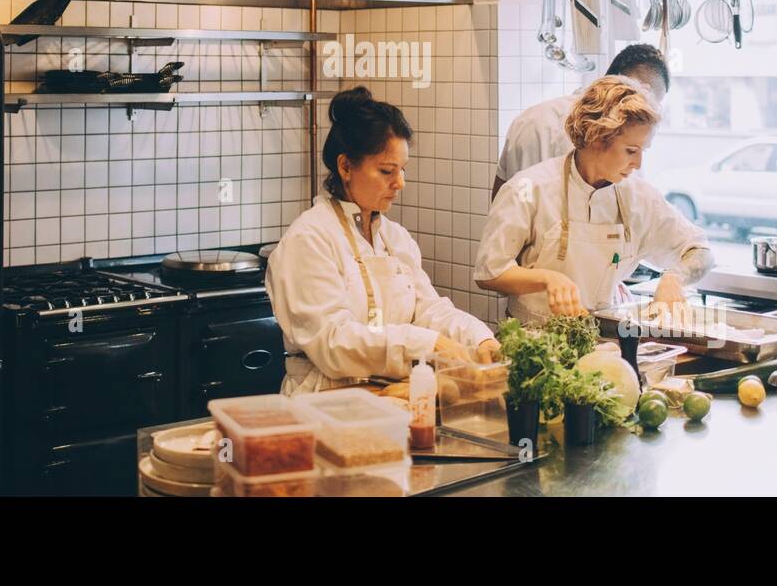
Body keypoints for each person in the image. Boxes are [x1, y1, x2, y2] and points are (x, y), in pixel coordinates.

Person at [267, 87, 500, 395]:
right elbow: (335, 343)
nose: (400, 183)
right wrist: (426, 345)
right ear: (345, 166)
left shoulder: (394, 238)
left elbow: (426, 308)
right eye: (387, 171)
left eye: (402, 170)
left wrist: (478, 338)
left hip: (388, 396)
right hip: (324, 402)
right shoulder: (308, 240)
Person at [474, 75, 713, 324]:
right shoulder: (528, 189)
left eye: (643, 151)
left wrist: (674, 278)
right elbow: (489, 272)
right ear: (597, 138)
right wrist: (548, 279)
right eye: (631, 151)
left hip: (606, 339)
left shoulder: (639, 198)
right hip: (535, 339)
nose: (639, 163)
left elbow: (701, 251)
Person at [492, 44, 670, 199]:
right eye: (645, 101)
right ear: (621, 89)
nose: (644, 112)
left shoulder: (528, 118)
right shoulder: (611, 136)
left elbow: (500, 195)